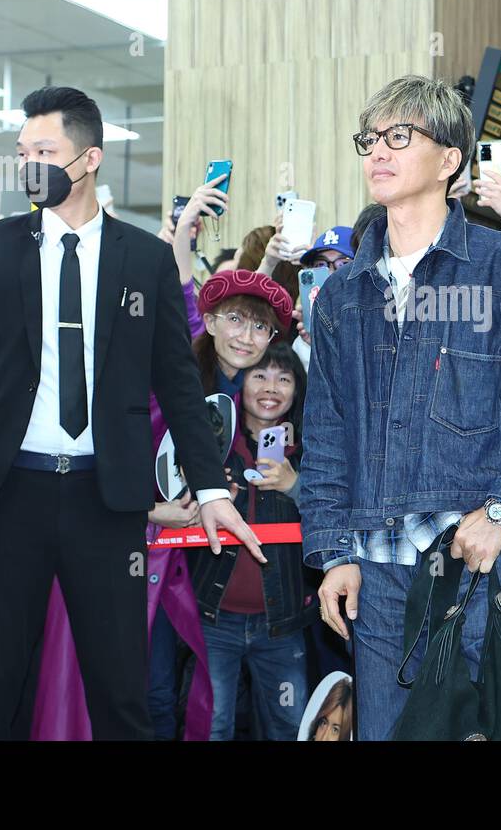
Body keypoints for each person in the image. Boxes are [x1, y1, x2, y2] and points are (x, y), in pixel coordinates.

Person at [0, 86, 261, 739]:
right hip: (9, 489)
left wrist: (211, 486)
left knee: (120, 688)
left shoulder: (145, 259)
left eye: (45, 151)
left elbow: (179, 384)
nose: (29, 165)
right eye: (23, 153)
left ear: (90, 157)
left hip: (109, 497)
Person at [300, 74, 501, 741]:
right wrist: (334, 554)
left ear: (449, 159)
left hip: (480, 563)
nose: (378, 152)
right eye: (370, 139)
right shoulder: (342, 298)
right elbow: (327, 438)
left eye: (400, 137)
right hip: (377, 571)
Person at [186, 276, 317, 740]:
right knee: (213, 725)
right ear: (240, 384)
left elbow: (332, 522)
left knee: (288, 725)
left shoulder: (315, 454)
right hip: (212, 619)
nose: (271, 387)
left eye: (284, 379)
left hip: (282, 624)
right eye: (260, 375)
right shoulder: (211, 446)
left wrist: (296, 485)